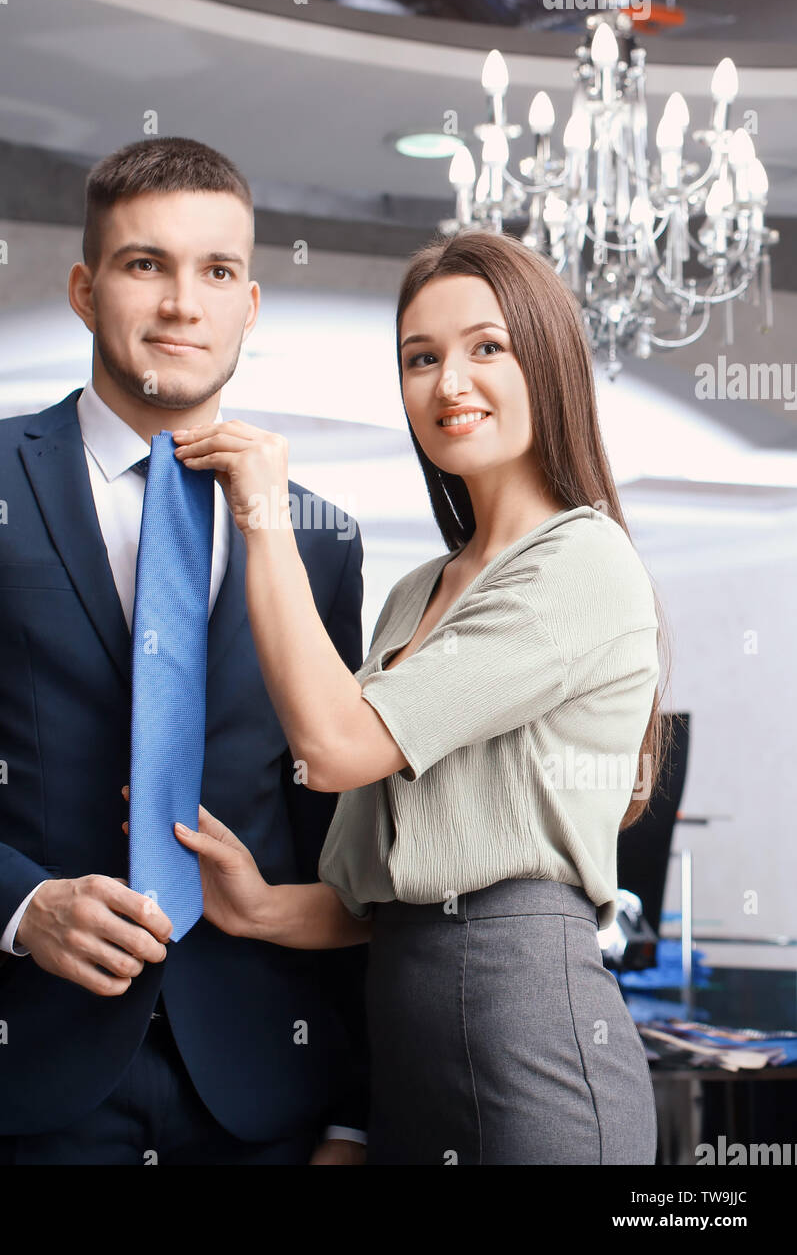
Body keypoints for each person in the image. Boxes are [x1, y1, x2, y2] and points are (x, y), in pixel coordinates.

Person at [0, 136, 369, 1165]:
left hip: (262, 1100)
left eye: (216, 272)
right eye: (144, 264)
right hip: (22, 1085)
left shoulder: (315, 539)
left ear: (248, 305)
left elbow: (335, 831)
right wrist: (21, 905)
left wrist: (350, 1110)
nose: (179, 304)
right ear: (83, 287)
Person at [160, 229, 667, 1166]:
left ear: (546, 363)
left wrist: (264, 511)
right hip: (411, 1048)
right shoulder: (415, 593)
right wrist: (262, 906)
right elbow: (388, 899)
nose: (448, 384)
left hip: (532, 1044)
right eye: (420, 359)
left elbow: (335, 746)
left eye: (485, 348)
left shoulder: (580, 561)